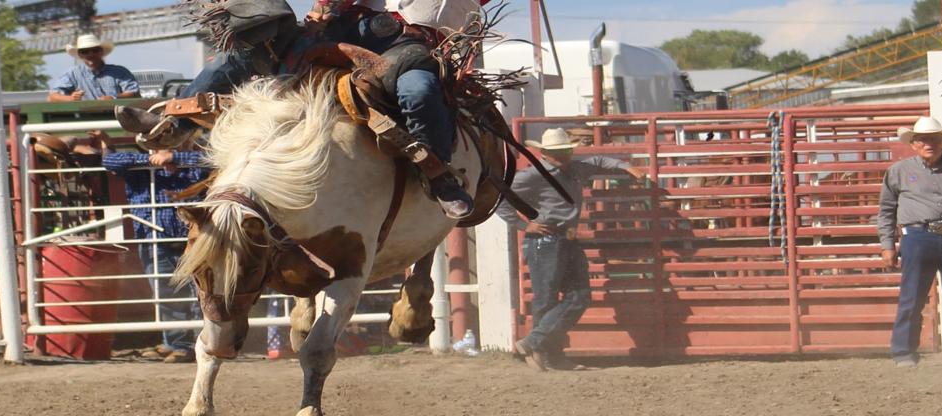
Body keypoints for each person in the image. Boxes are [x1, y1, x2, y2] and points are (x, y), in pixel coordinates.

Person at [121, 0, 472, 218]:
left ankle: (437, 174)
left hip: (405, 46)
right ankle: (174, 123)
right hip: (345, 30)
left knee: (418, 91)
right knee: (245, 52)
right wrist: (325, 8)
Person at [494, 127, 649, 372]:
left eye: (565, 150)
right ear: (544, 153)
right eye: (557, 152)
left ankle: (536, 344)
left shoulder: (576, 168)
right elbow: (500, 197)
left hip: (564, 239)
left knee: (578, 296)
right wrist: (524, 225)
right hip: (546, 240)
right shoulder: (533, 175)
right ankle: (549, 354)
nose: (562, 155)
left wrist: (626, 167)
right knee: (549, 299)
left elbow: (600, 160)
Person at [93, 131, 210, 362]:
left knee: (199, 292)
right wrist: (151, 159)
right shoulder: (139, 166)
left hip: (194, 239)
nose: (163, 148)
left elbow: (213, 160)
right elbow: (110, 161)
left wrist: (175, 157)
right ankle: (177, 343)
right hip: (155, 237)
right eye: (157, 144)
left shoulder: (194, 165)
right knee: (166, 291)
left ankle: (199, 343)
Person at [877, 116, 942, 367]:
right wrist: (887, 245)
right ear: (914, 144)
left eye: (935, 139)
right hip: (917, 237)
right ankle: (903, 352)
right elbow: (886, 210)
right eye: (923, 140)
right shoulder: (898, 171)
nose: (929, 144)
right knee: (912, 297)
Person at [48, 33, 141, 102]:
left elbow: (134, 93)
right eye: (85, 51)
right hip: (88, 118)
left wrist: (113, 98)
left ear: (101, 52)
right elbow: (53, 96)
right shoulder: (72, 73)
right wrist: (71, 98)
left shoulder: (120, 72)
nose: (90, 54)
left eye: (95, 50)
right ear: (80, 55)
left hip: (119, 116)